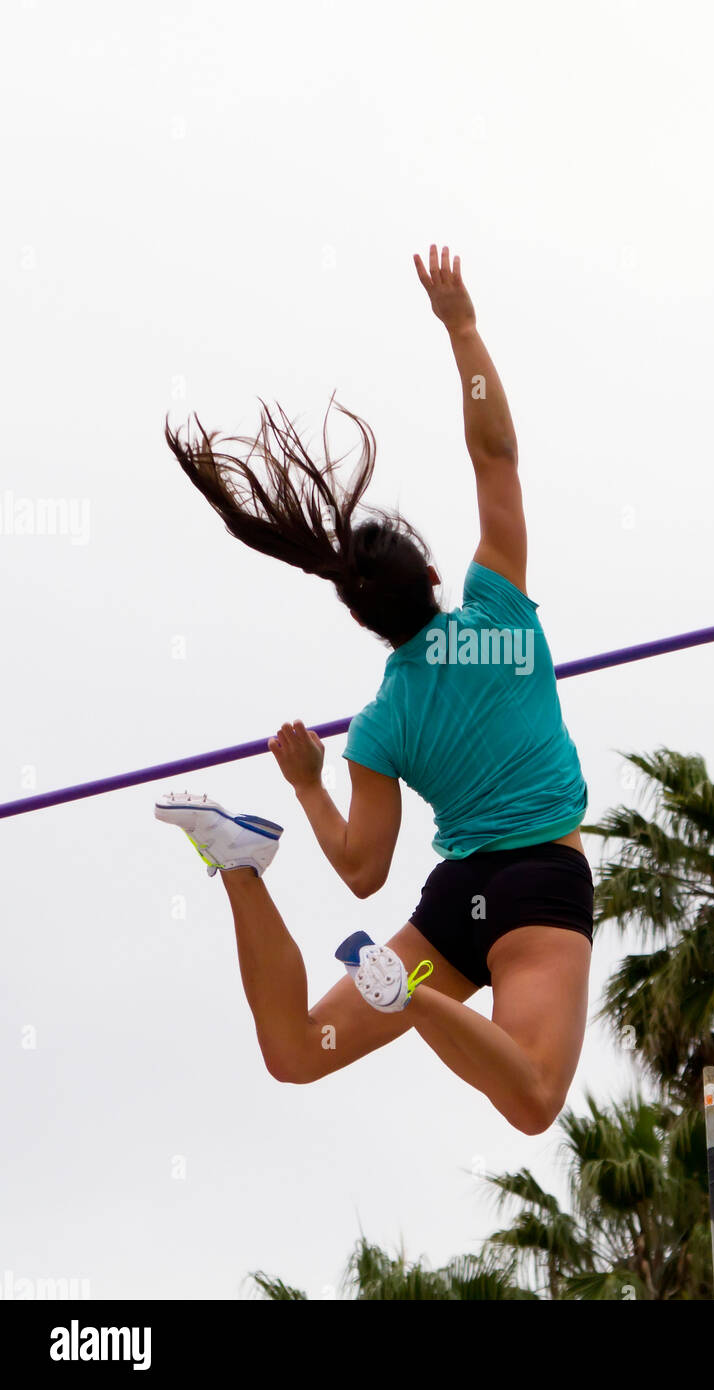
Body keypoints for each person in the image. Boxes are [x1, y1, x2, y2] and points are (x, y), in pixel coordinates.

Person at [157, 246, 593, 1135]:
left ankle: (239, 867)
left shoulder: (379, 725)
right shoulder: (497, 612)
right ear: (435, 574)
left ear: (364, 624)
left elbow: (361, 871)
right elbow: (495, 456)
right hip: (538, 890)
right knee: (535, 1098)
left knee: (295, 1050)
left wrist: (312, 784)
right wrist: (462, 328)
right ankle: (416, 1002)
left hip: (455, 906)